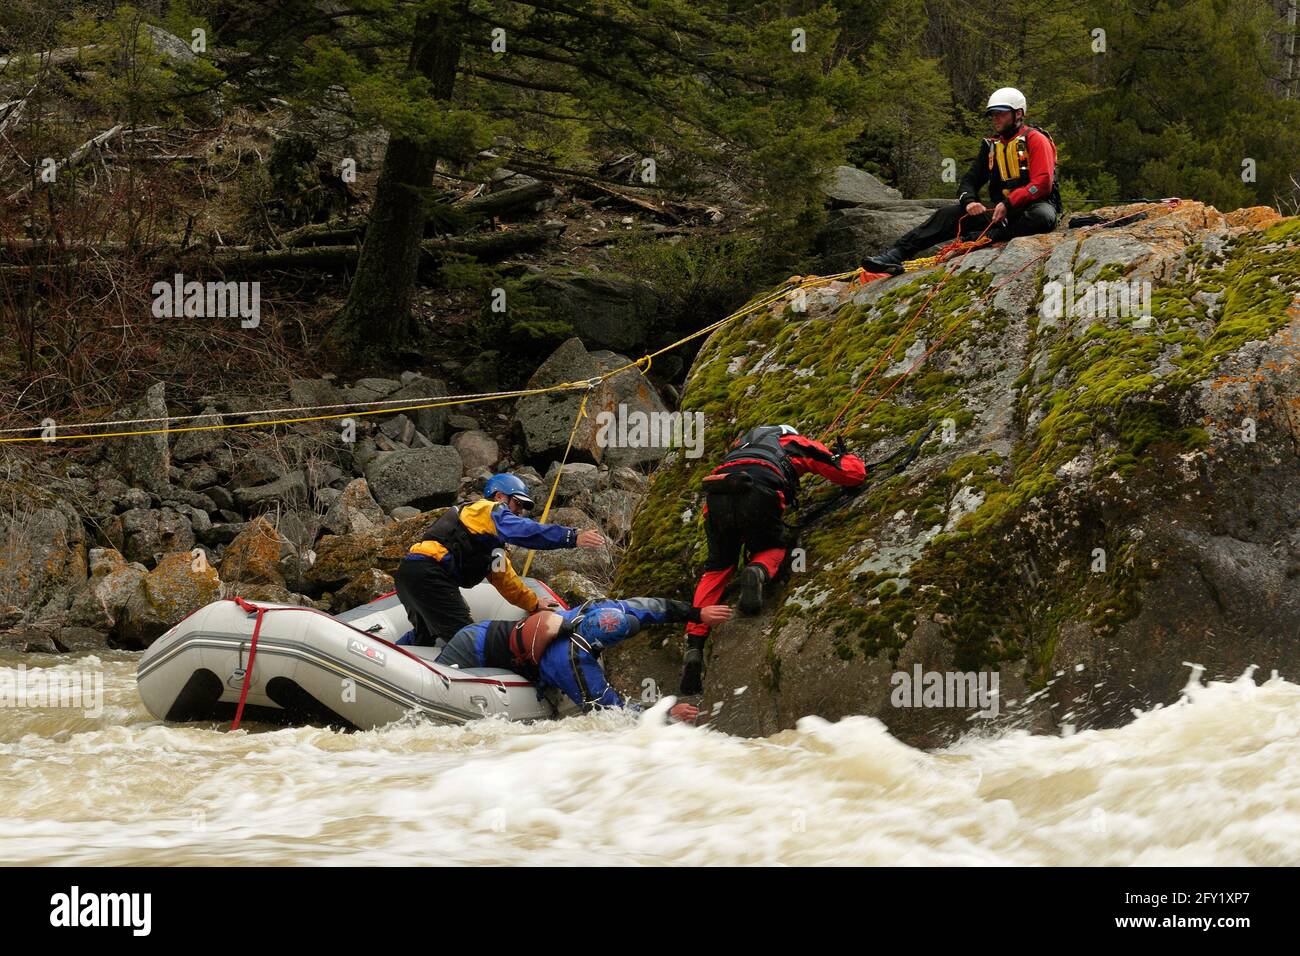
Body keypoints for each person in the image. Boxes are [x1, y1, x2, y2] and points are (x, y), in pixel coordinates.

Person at [680, 425, 868, 694]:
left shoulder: (735, 452)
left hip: (717, 497)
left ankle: (694, 646)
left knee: (717, 569)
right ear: (783, 433)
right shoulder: (792, 443)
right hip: (759, 490)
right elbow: (851, 474)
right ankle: (757, 571)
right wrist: (845, 457)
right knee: (771, 547)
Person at [862, 87, 1061, 276]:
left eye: (1000, 113)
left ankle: (991, 236)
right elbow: (969, 181)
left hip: (1033, 207)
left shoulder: (1036, 139)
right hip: (1000, 214)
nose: (995, 118)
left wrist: (1009, 203)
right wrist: (970, 202)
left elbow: (1043, 183)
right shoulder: (992, 146)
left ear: (1018, 114)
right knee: (945, 215)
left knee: (1041, 216)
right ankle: (895, 255)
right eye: (992, 114)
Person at [437, 597, 734, 722]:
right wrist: (667, 714)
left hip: (482, 630)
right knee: (435, 684)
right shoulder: (572, 661)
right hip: (472, 647)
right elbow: (611, 712)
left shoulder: (592, 610)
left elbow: (649, 606)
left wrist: (697, 614)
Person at [394, 473, 605, 647]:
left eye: (522, 508)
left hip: (409, 575)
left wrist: (532, 603)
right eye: (517, 503)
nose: (519, 512)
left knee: (424, 636)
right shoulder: (487, 509)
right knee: (466, 640)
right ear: (499, 496)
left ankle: (391, 656)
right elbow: (524, 530)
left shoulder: (493, 546)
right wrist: (571, 537)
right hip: (429, 574)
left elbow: (505, 580)